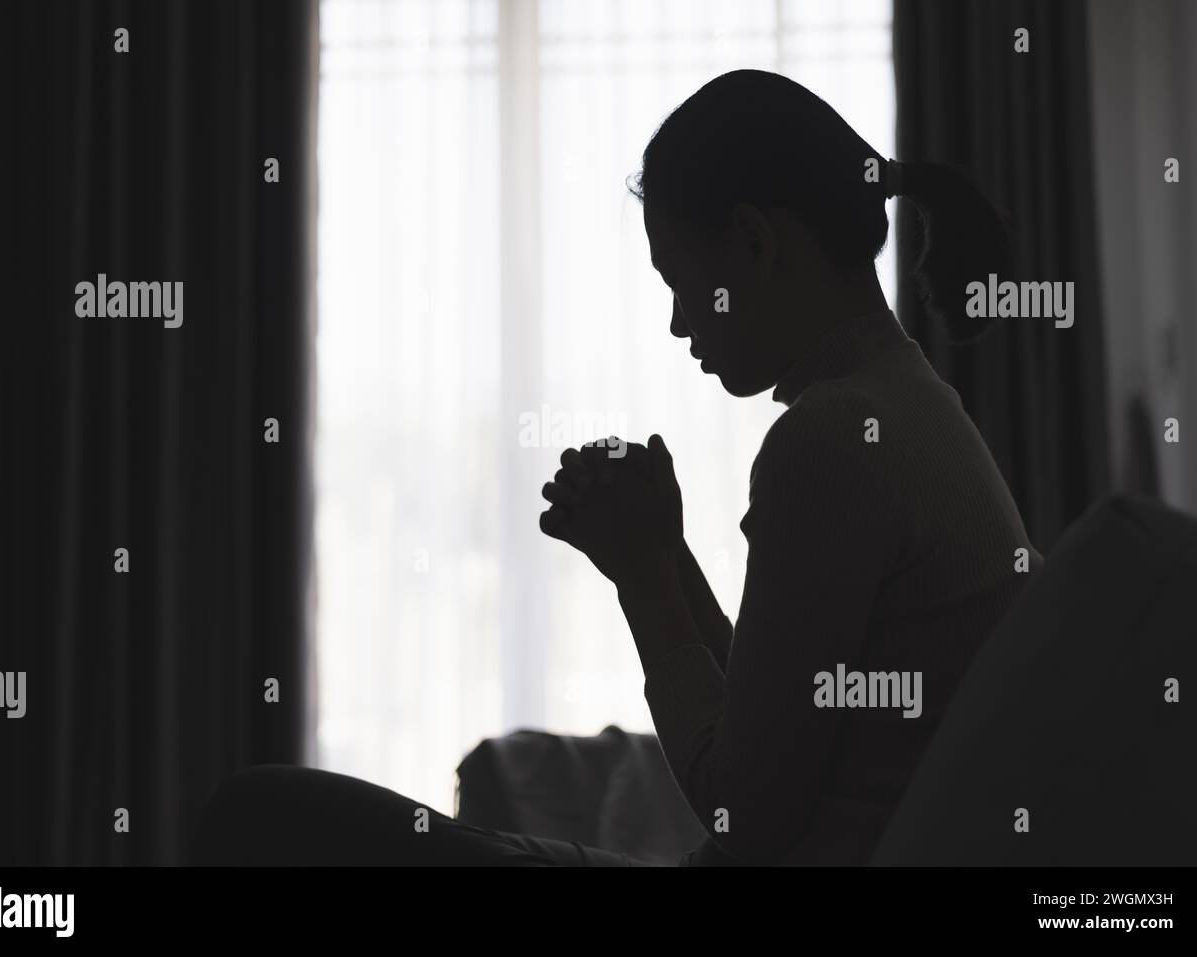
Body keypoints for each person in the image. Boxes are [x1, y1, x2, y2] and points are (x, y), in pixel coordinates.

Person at [193, 69, 1041, 867]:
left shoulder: (828, 440)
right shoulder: (911, 406)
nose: (678, 323)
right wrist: (665, 553)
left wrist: (642, 579)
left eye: (679, 279)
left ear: (753, 242)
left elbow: (740, 807)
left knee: (261, 815)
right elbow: (785, 720)